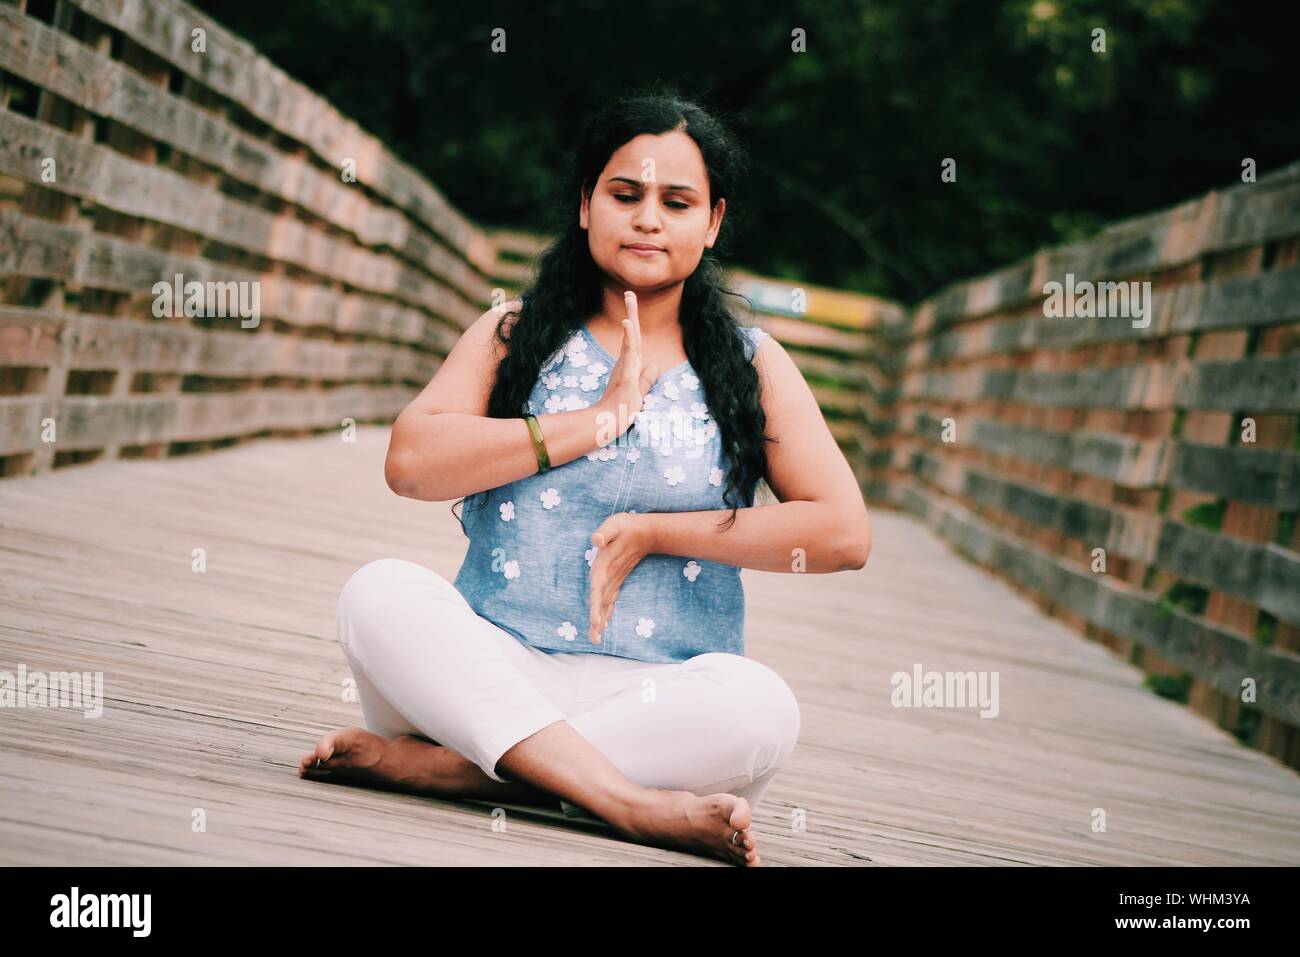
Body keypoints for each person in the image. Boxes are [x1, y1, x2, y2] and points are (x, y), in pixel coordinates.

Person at [298, 88, 871, 867]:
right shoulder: (513, 333)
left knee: (763, 706)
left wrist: (658, 532)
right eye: (625, 194)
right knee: (379, 591)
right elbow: (411, 462)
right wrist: (597, 418)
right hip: (490, 671)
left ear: (713, 223)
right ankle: (625, 803)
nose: (647, 219)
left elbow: (842, 531)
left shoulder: (751, 364)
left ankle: (467, 771)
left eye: (677, 201)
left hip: (649, 703)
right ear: (584, 205)